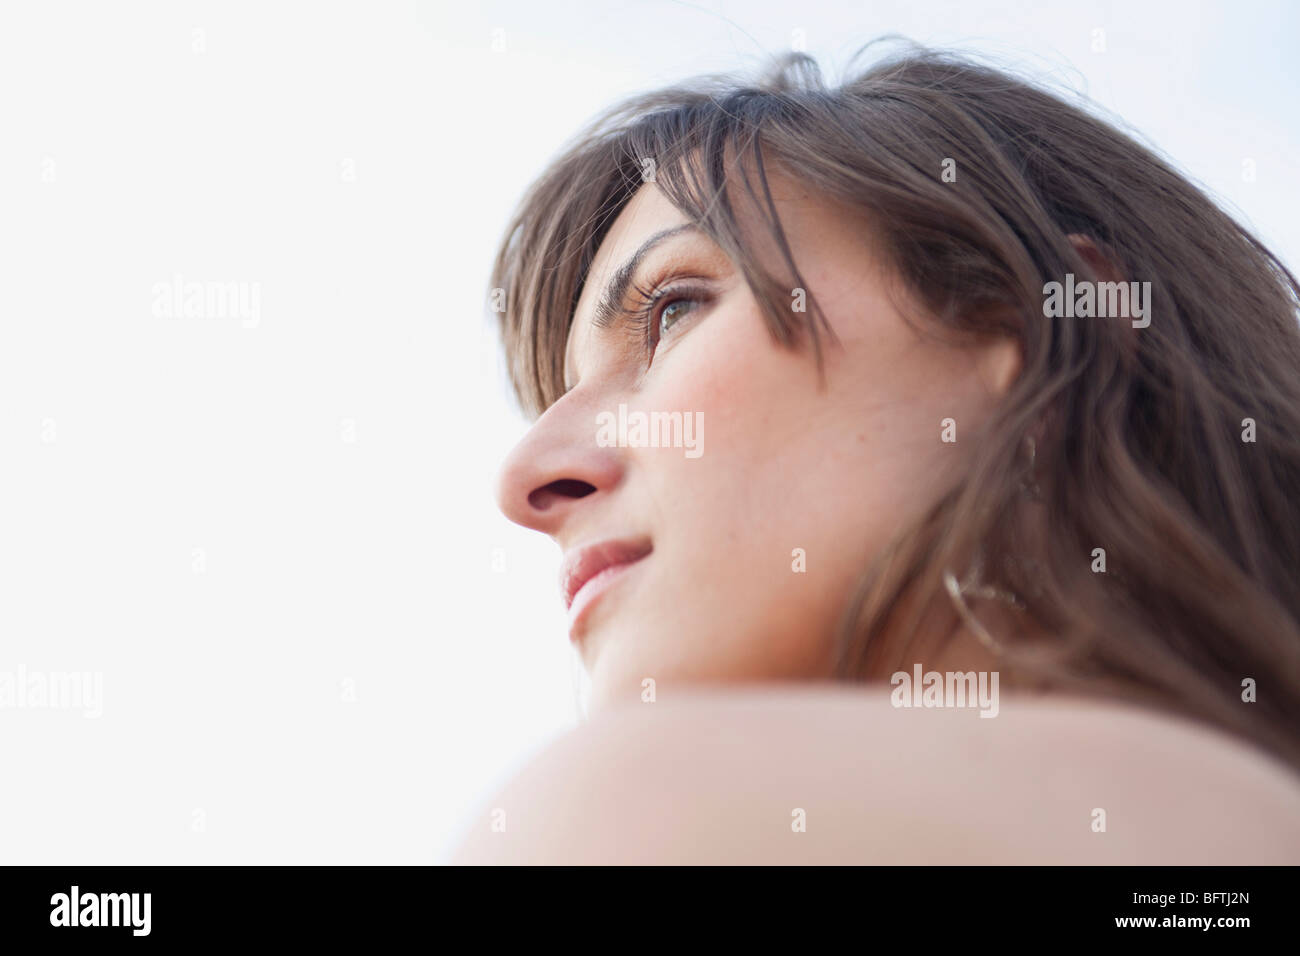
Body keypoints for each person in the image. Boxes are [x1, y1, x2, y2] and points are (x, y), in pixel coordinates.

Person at [455, 45, 1300, 864]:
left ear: (1045, 326)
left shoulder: (616, 817)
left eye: (673, 311)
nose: (526, 472)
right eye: (562, 394)